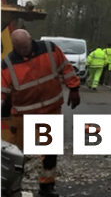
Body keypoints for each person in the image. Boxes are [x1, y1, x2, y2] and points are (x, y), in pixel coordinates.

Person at [0, 29, 81, 197]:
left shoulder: (49, 49)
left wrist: (74, 88)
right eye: (18, 48)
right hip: (23, 115)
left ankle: (46, 187)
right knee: (15, 154)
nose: (23, 50)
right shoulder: (7, 64)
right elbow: (1, 92)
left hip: (50, 111)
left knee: (50, 152)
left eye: (25, 46)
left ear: (31, 39)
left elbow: (65, 68)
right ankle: (11, 187)